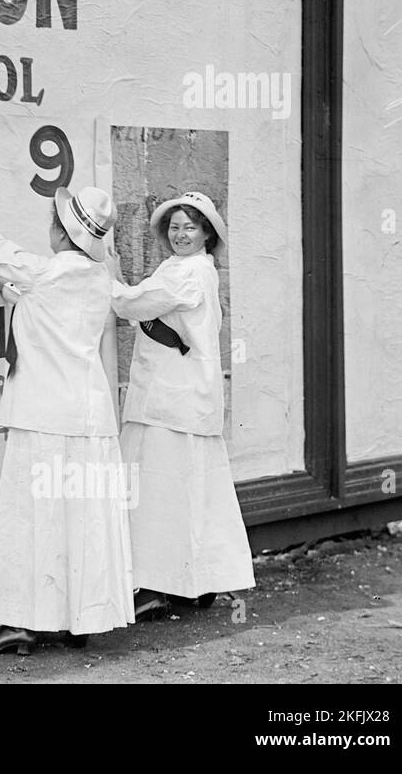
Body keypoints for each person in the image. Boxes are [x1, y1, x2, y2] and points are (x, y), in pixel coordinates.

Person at [0, 163, 135, 654]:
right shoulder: (98, 279)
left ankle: (23, 623)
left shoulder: (43, 271)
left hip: (44, 416)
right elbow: (43, 301)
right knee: (83, 518)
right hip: (90, 417)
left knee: (34, 519)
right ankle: (81, 617)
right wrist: (12, 292)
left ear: (61, 231)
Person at [109, 192, 255, 617]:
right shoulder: (185, 269)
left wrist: (109, 274)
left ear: (207, 233)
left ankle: (157, 582)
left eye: (190, 227)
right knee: (190, 495)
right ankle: (195, 582)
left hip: (171, 403)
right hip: (181, 399)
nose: (180, 234)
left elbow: (129, 304)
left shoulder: (188, 273)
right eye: (174, 227)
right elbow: (149, 306)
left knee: (160, 495)